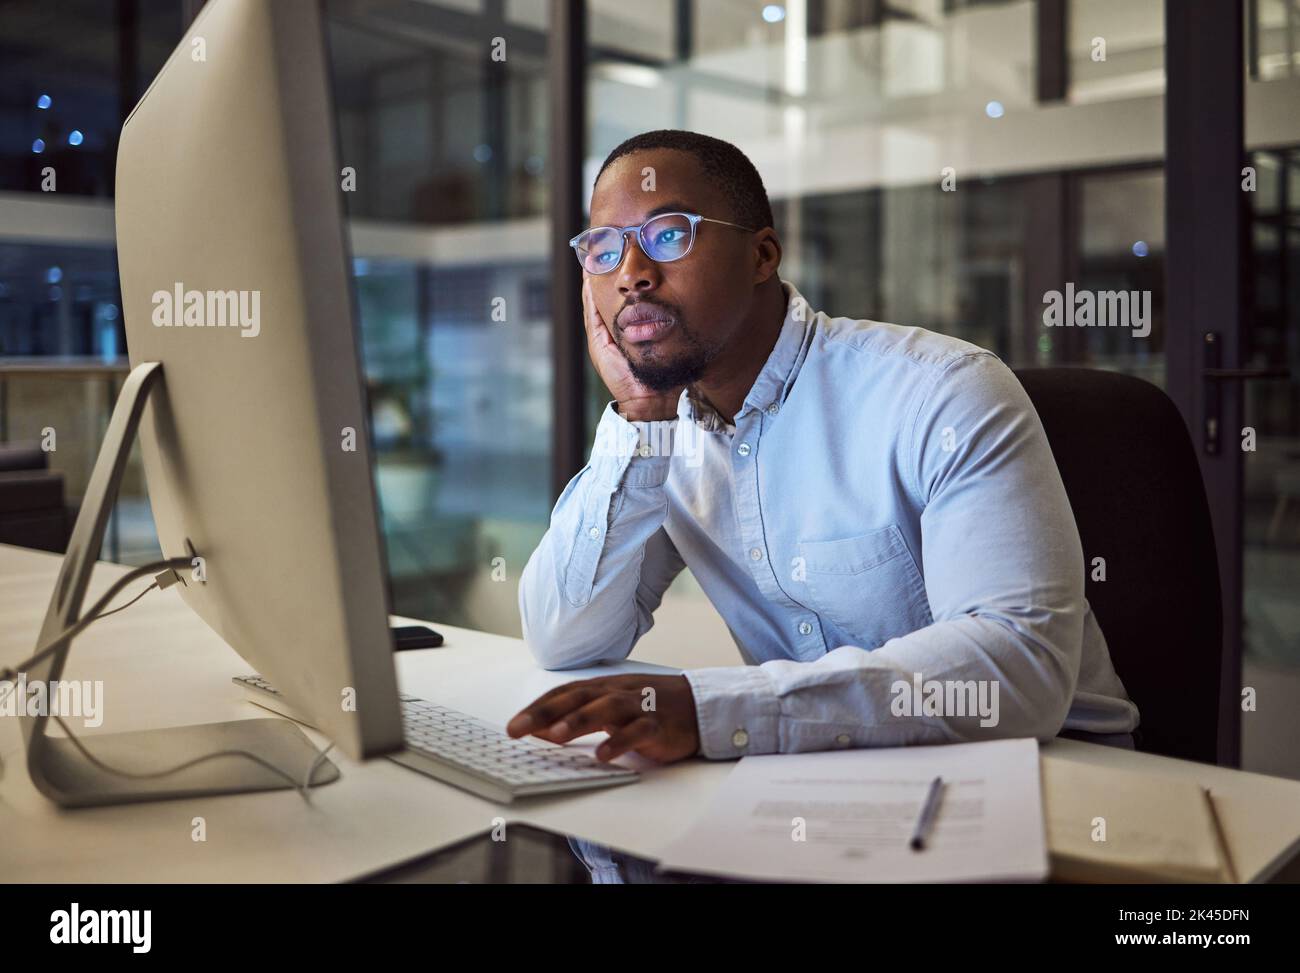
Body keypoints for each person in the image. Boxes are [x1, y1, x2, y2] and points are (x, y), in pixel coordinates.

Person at [507, 129, 1140, 764]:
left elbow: (1017, 670)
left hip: (1056, 770)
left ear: (762, 255)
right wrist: (641, 417)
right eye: (604, 250)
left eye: (669, 235)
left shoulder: (942, 392)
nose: (632, 276)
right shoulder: (664, 437)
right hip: (827, 777)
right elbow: (565, 640)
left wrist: (711, 709)